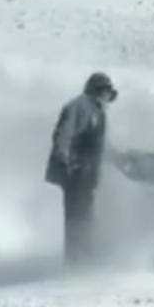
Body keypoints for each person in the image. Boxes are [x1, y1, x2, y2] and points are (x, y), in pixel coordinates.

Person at [46, 72, 118, 266]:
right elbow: (64, 134)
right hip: (76, 172)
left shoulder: (97, 112)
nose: (107, 98)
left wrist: (124, 159)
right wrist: (64, 159)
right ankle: (75, 263)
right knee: (76, 218)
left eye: (109, 94)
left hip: (87, 174)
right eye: (105, 92)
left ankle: (84, 259)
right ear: (96, 90)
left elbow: (102, 147)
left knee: (85, 216)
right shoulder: (80, 107)